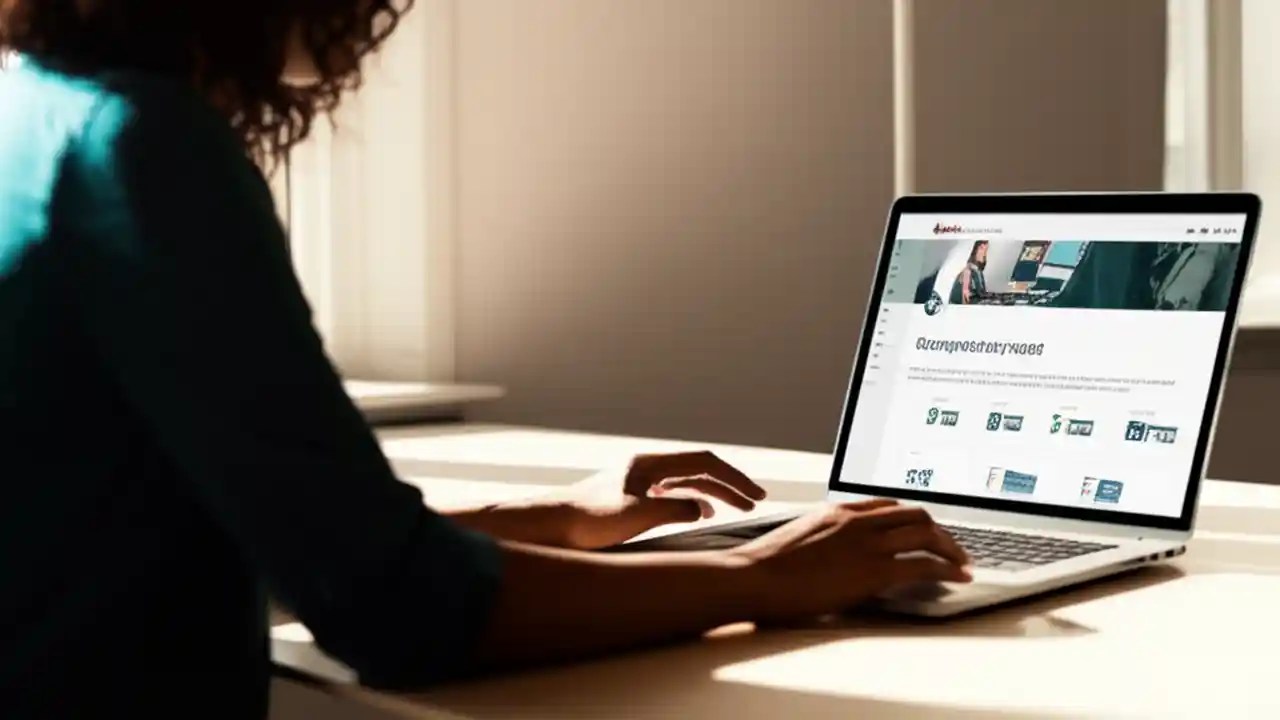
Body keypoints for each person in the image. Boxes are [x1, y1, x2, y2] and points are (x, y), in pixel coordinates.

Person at [0, 2, 971, 717]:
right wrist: (758, 579)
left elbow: (213, 528)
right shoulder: (137, 149)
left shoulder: (32, 112)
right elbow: (398, 610)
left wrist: (550, 516)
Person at [950, 240, 989, 305]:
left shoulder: (978, 272)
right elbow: (965, 300)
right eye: (982, 249)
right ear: (976, 250)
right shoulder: (967, 271)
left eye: (986, 250)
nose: (984, 254)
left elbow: (982, 293)